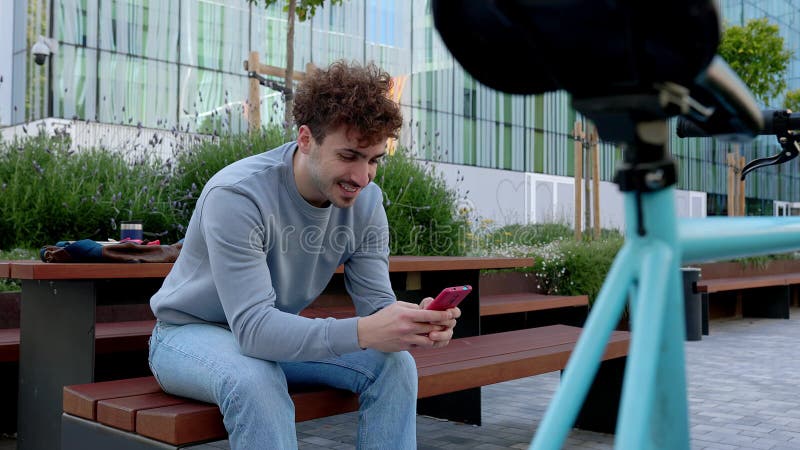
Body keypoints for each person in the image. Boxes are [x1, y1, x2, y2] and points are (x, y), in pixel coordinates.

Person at [148, 60, 461, 449]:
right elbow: (254, 330)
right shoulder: (238, 195)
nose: (362, 177)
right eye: (349, 156)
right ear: (306, 139)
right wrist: (366, 331)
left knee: (395, 365)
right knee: (255, 379)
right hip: (188, 336)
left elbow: (376, 307)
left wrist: (412, 322)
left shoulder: (366, 204)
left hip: (272, 336)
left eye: (373, 160)